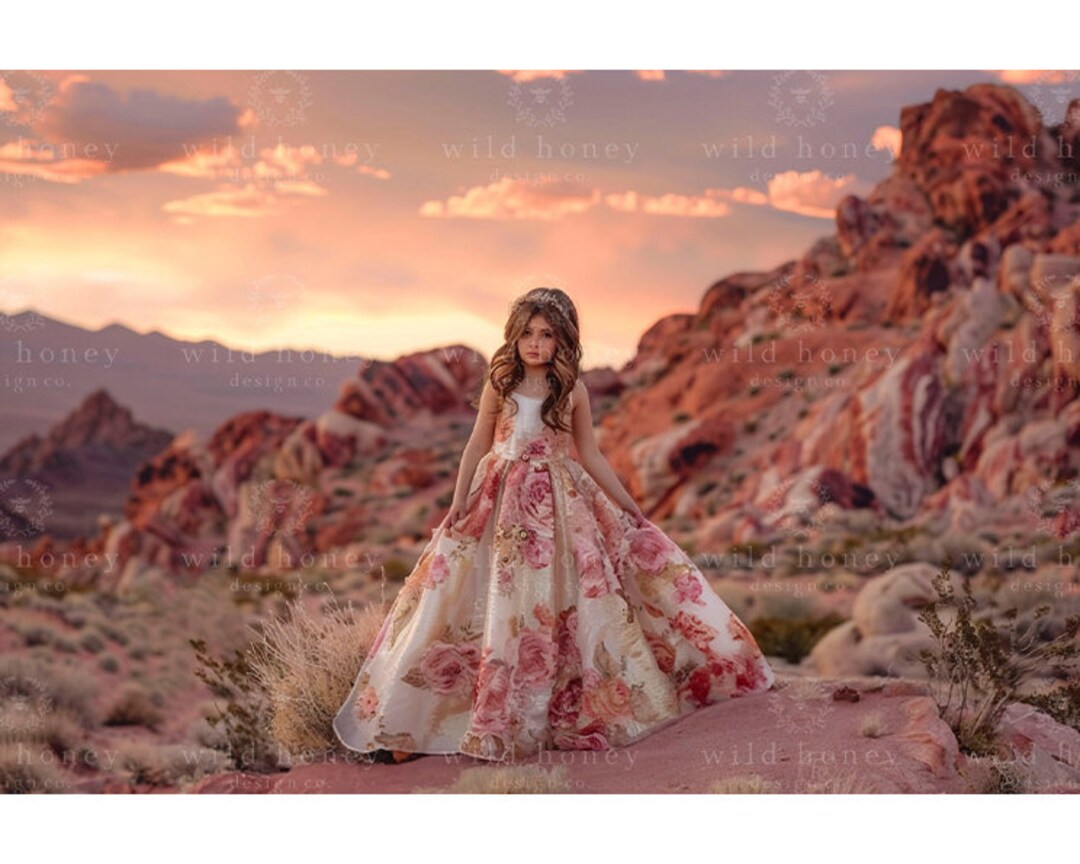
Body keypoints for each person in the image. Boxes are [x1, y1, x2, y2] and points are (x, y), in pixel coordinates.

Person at [332, 287, 776, 764]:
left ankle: (540, 710)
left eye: (546, 335)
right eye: (527, 333)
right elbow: (476, 444)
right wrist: (459, 500)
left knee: (558, 598)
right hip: (497, 502)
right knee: (479, 597)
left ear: (563, 339)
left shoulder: (572, 390)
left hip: (560, 505)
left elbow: (590, 453)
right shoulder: (499, 385)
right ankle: (434, 719)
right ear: (514, 337)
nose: (535, 344)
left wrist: (628, 505)